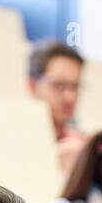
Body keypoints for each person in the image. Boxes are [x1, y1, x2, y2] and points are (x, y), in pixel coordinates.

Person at [27, 40, 86, 176]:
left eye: (75, 87)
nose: (70, 97)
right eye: (59, 85)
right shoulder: (11, 139)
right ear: (32, 86)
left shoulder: (82, 147)